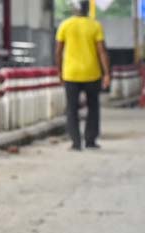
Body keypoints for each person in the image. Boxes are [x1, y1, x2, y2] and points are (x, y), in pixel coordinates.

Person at [55, 0, 110, 151]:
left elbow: (58, 51)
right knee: (93, 107)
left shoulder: (65, 25)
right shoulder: (95, 26)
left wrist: (59, 71)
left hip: (71, 73)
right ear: (87, 9)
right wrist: (106, 74)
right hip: (92, 73)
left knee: (72, 108)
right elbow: (102, 51)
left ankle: (76, 142)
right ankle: (90, 140)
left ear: (74, 9)